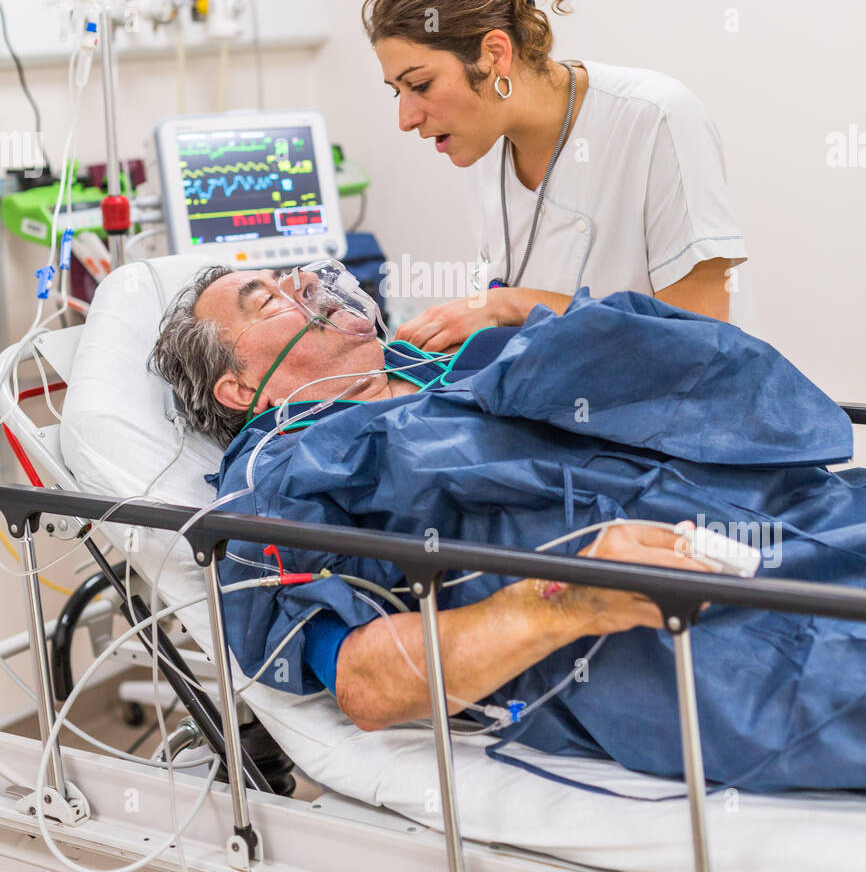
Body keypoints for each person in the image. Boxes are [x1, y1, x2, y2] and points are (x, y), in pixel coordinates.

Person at [149, 259, 866, 793]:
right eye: (266, 299)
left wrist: (525, 314)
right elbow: (365, 684)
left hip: (797, 515)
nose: (306, 286)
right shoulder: (282, 477)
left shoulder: (460, 360)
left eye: (293, 273)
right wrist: (566, 598)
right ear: (239, 388)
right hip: (663, 629)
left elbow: (697, 370)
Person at [362, 0, 748, 352]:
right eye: (397, 91)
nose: (406, 119)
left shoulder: (656, 119)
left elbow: (702, 339)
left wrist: (508, 305)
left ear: (494, 54)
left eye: (421, 85)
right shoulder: (486, 149)